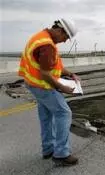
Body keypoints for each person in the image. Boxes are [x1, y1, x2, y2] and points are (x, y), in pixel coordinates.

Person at [18, 18, 80, 166]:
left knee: (46, 115)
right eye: (66, 37)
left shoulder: (42, 37)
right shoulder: (47, 46)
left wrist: (70, 73)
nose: (65, 41)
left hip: (33, 83)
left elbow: (54, 66)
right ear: (60, 31)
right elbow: (45, 74)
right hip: (41, 86)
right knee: (64, 113)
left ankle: (48, 149)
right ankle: (61, 153)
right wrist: (62, 87)